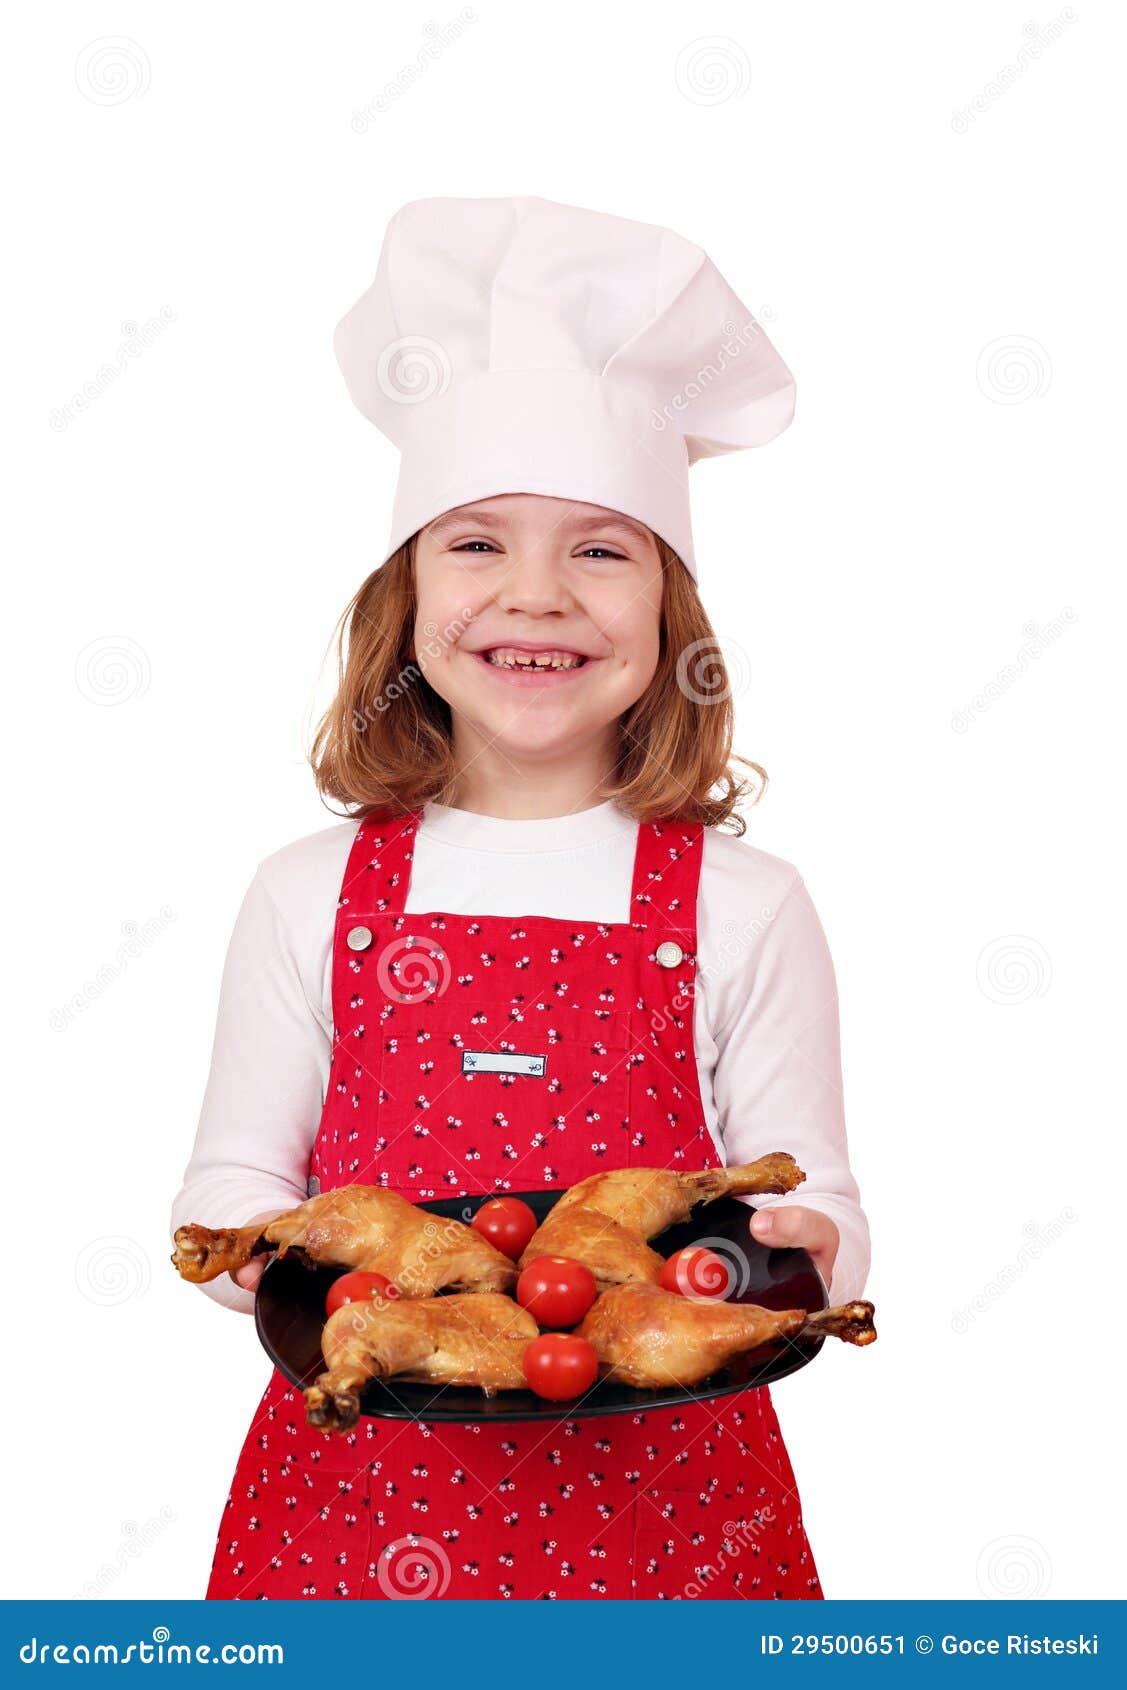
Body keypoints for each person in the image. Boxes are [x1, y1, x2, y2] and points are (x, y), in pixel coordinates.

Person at [172, 195, 870, 1601]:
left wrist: (812, 1246)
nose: (537, 595)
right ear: (406, 599)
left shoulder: (749, 901)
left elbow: (813, 1187)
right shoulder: (310, 893)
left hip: (680, 1512)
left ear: (672, 613)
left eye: (602, 549)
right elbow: (232, 1182)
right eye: (477, 543)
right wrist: (293, 1279)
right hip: (357, 1505)